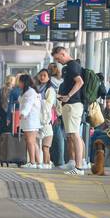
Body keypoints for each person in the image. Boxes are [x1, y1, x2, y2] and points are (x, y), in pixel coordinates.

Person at [52, 46, 87, 175]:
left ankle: (79, 167)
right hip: (70, 104)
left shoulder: (72, 66)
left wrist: (68, 96)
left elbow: (80, 82)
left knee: (75, 135)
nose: (58, 61)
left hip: (73, 104)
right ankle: (76, 163)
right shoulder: (70, 67)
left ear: (63, 53)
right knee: (72, 135)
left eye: (58, 58)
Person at [16, 74, 42, 167]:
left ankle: (32, 162)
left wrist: (23, 113)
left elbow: (28, 104)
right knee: (33, 142)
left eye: (19, 81)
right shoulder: (30, 91)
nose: (18, 83)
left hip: (30, 119)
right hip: (31, 119)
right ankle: (38, 162)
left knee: (30, 141)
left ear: (23, 82)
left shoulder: (30, 92)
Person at [36, 68, 57, 169]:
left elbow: (48, 104)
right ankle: (41, 162)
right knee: (38, 144)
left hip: (46, 121)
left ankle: (46, 163)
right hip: (37, 120)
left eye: (44, 75)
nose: (42, 77)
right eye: (41, 75)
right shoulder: (37, 88)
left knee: (45, 146)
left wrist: (39, 101)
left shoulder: (50, 90)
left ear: (49, 77)